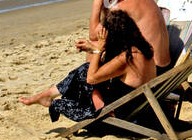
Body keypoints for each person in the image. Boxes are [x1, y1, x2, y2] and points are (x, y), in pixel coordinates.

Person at [20, 8, 157, 122]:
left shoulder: (126, 58)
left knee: (61, 101)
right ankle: (49, 94)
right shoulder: (142, 49)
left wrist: (98, 49)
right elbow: (115, 66)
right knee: (85, 71)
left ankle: (51, 96)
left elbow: (91, 78)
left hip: (122, 113)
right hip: (140, 105)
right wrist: (93, 48)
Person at [91, 0, 172, 71]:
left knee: (94, 47)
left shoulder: (122, 7)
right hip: (165, 66)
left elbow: (94, 35)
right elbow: (110, 29)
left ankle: (95, 87)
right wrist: (105, 7)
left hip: (150, 70)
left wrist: (97, 3)